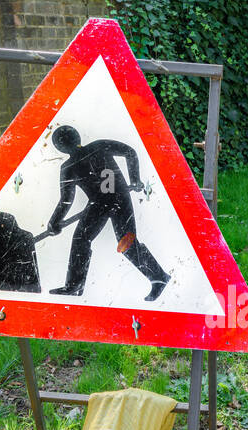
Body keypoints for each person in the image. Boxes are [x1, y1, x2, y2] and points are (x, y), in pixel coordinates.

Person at [37, 125, 171, 301]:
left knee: (120, 243)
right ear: (77, 137)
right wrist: (134, 178)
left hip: (115, 199)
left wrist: (54, 222)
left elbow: (66, 201)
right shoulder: (95, 148)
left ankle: (159, 277)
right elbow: (130, 152)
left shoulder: (70, 165)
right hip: (104, 202)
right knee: (84, 240)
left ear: (59, 147)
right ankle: (74, 285)